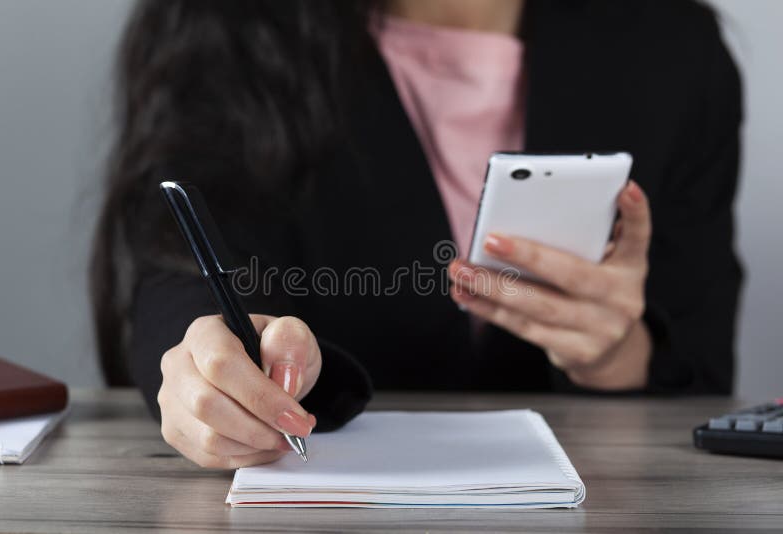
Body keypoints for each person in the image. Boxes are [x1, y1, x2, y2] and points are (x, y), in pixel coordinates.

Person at [91, 0, 743, 468]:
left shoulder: (674, 48)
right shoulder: (225, 26)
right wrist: (206, 363)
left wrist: (614, 355)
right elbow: (176, 280)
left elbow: (703, 362)